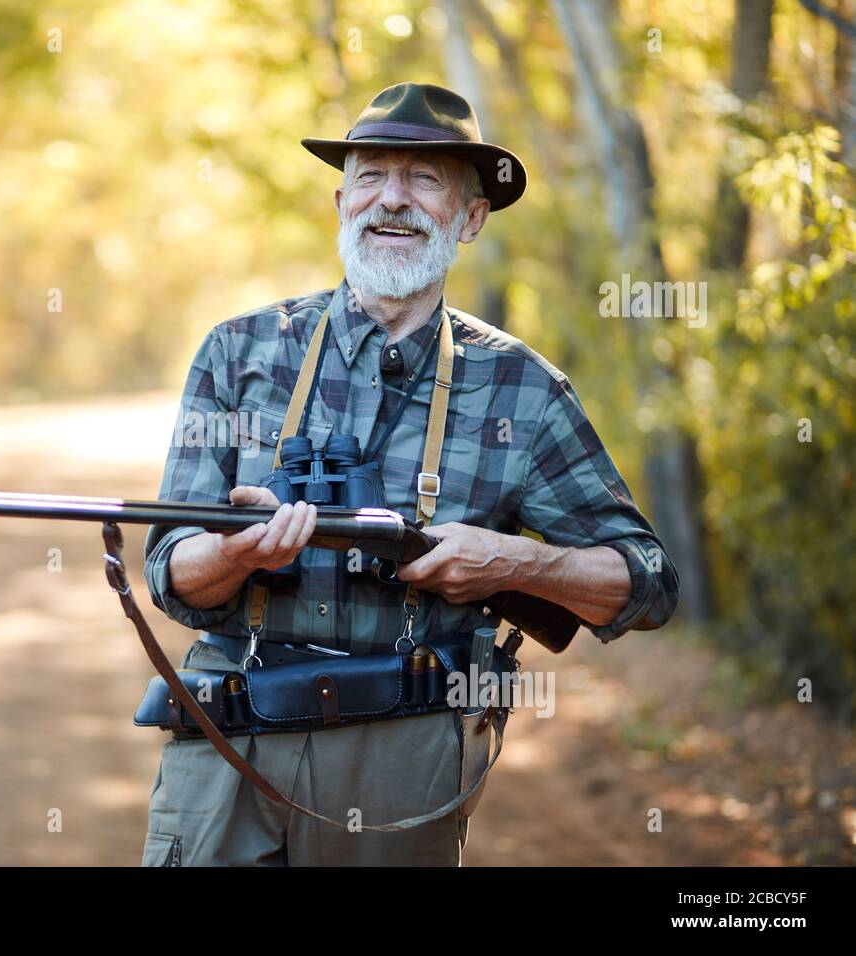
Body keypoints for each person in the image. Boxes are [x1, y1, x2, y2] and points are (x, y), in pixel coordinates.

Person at [139, 82, 680, 866]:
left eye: (424, 178)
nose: (392, 199)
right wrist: (240, 554)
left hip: (404, 759)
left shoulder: (523, 390)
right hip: (228, 737)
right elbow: (169, 571)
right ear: (340, 203)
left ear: (469, 217)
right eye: (370, 176)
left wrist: (517, 562)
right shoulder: (238, 352)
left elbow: (650, 582)